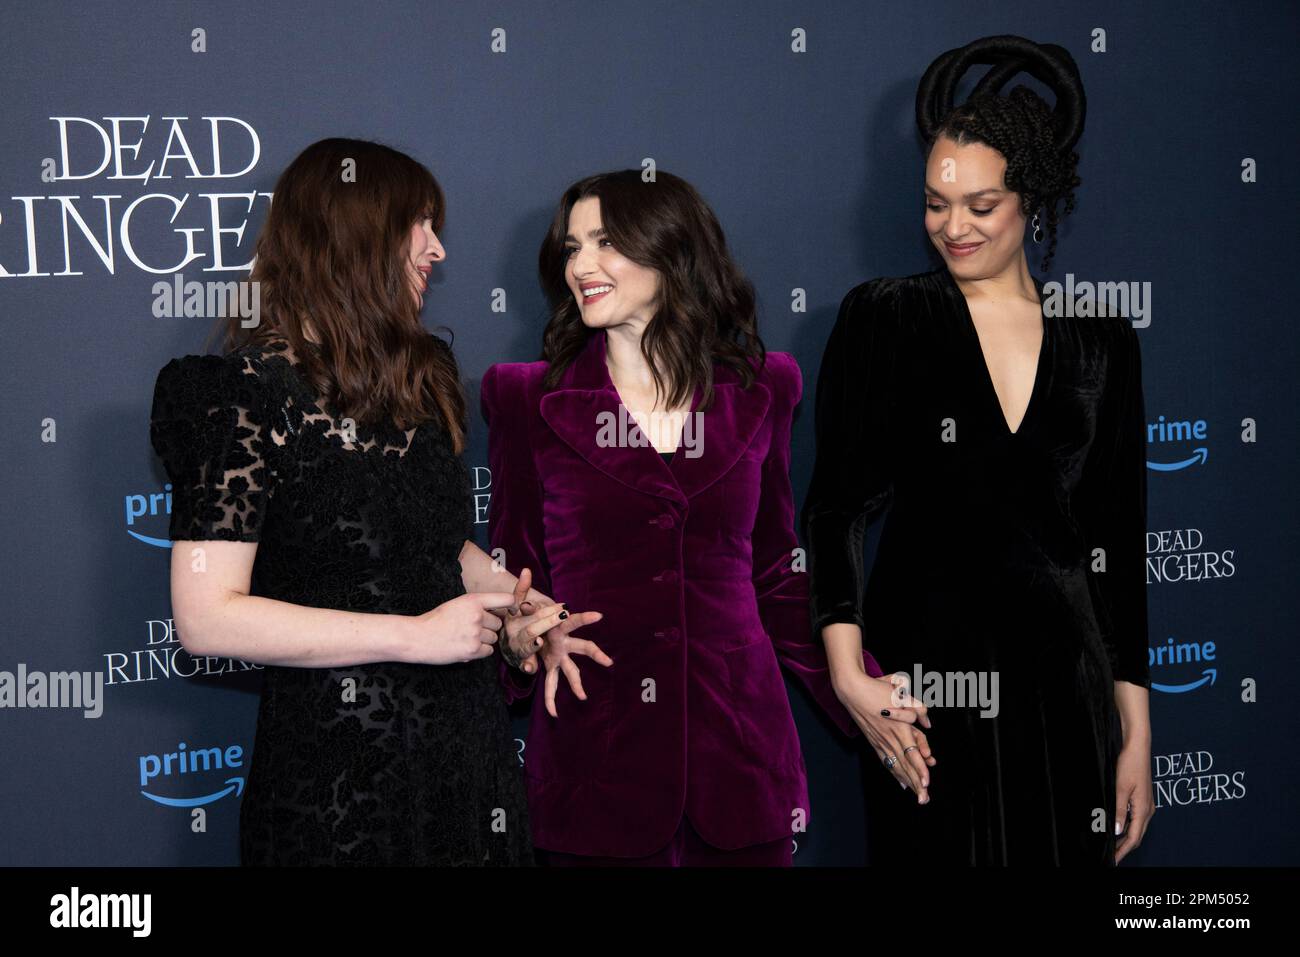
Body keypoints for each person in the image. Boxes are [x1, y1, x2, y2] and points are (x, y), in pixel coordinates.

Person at [148, 138, 592, 865]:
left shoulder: (424, 375)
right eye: (420, 223)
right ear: (356, 234)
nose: (438, 250)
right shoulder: (233, 397)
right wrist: (413, 635)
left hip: (466, 756)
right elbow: (205, 618)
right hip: (335, 777)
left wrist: (525, 612)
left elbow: (442, 547)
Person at [801, 35, 1154, 865]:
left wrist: (1134, 732)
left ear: (1032, 200)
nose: (951, 227)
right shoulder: (882, 316)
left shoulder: (1102, 338)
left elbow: (1115, 540)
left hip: (1066, 687)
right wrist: (851, 677)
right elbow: (836, 508)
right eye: (935, 203)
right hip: (925, 686)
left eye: (980, 206)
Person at [482, 169, 875, 865]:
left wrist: (860, 684)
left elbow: (777, 573)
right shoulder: (525, 399)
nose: (581, 265)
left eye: (606, 242)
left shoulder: (764, 388)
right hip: (594, 765)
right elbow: (512, 577)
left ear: (671, 249)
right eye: (572, 247)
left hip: (742, 763)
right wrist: (520, 640)